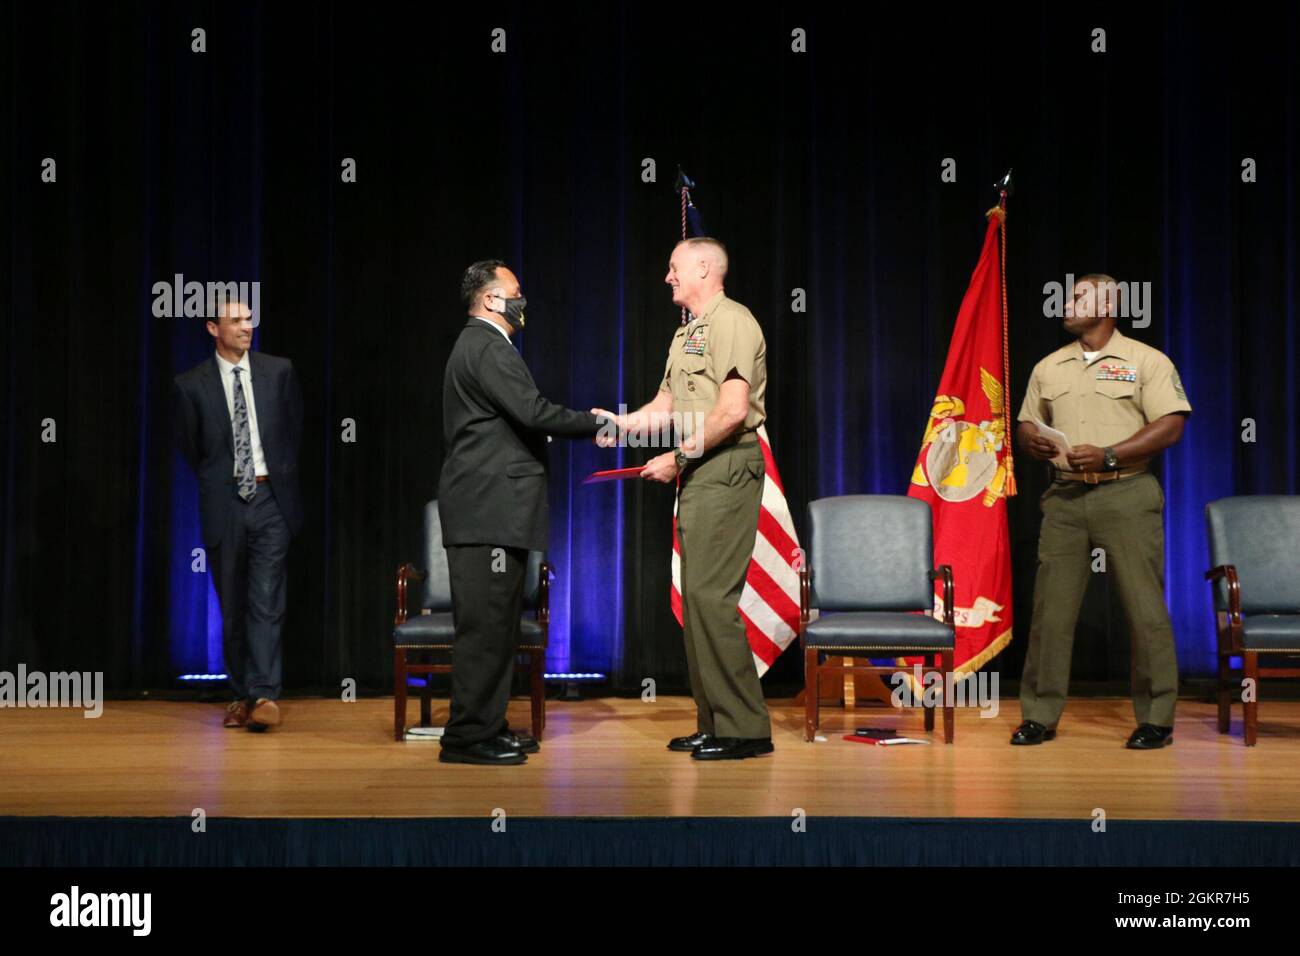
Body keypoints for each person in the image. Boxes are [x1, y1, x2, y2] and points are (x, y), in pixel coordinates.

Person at [598, 237, 772, 760]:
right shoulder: (687, 334)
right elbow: (666, 404)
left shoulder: (732, 321)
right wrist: (619, 425)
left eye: (674, 268)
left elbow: (732, 412)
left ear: (703, 268)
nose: (667, 277)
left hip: (726, 464)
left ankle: (745, 729)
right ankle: (714, 723)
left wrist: (677, 458)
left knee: (712, 600)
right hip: (700, 471)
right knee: (696, 601)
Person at [438, 259, 614, 766]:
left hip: (494, 511)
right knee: (485, 629)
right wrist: (595, 421)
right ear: (492, 299)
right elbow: (533, 411)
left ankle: (487, 725)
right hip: (485, 510)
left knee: (499, 627)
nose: (523, 301)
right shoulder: (487, 345)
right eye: (516, 291)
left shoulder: (484, 345)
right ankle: (467, 738)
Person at [1012, 274, 1191, 749]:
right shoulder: (1050, 366)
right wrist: (1029, 438)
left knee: (1144, 610)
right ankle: (1039, 715)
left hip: (1126, 494)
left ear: (1109, 304)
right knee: (1051, 613)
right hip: (1065, 501)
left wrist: (1110, 455)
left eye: (1077, 296)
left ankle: (1156, 718)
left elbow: (1171, 425)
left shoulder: (1146, 361)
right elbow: (1030, 422)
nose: (1066, 304)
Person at [173, 297, 303, 732]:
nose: (247, 327)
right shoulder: (190, 385)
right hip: (225, 502)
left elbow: (292, 431)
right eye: (236, 321)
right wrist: (224, 481)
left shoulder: (278, 371)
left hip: (271, 501)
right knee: (232, 605)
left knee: (266, 601)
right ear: (213, 328)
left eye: (250, 319)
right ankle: (242, 694)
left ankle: (265, 694)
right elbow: (194, 449)